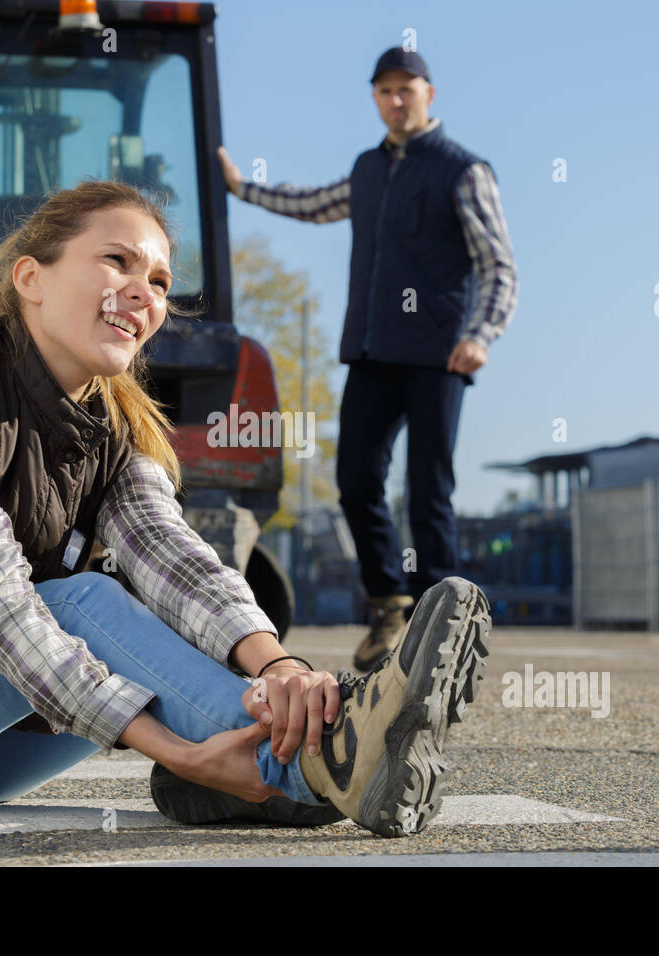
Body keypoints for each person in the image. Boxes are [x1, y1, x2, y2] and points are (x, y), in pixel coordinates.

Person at [0, 180, 492, 838]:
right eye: (116, 261)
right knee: (76, 609)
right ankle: (320, 757)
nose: (142, 294)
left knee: (161, 626)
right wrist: (170, 752)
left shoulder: (112, 428)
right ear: (31, 279)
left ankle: (264, 767)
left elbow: (176, 563)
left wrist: (278, 667)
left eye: (158, 283)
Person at [218, 47, 518, 673]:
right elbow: (314, 204)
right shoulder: (366, 170)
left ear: (429, 94)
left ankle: (446, 627)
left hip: (440, 356)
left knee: (428, 491)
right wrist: (244, 189)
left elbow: (499, 266)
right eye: (384, 91)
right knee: (355, 479)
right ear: (375, 98)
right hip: (372, 351)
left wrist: (481, 335)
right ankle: (389, 605)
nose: (395, 101)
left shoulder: (463, 170)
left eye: (406, 90)